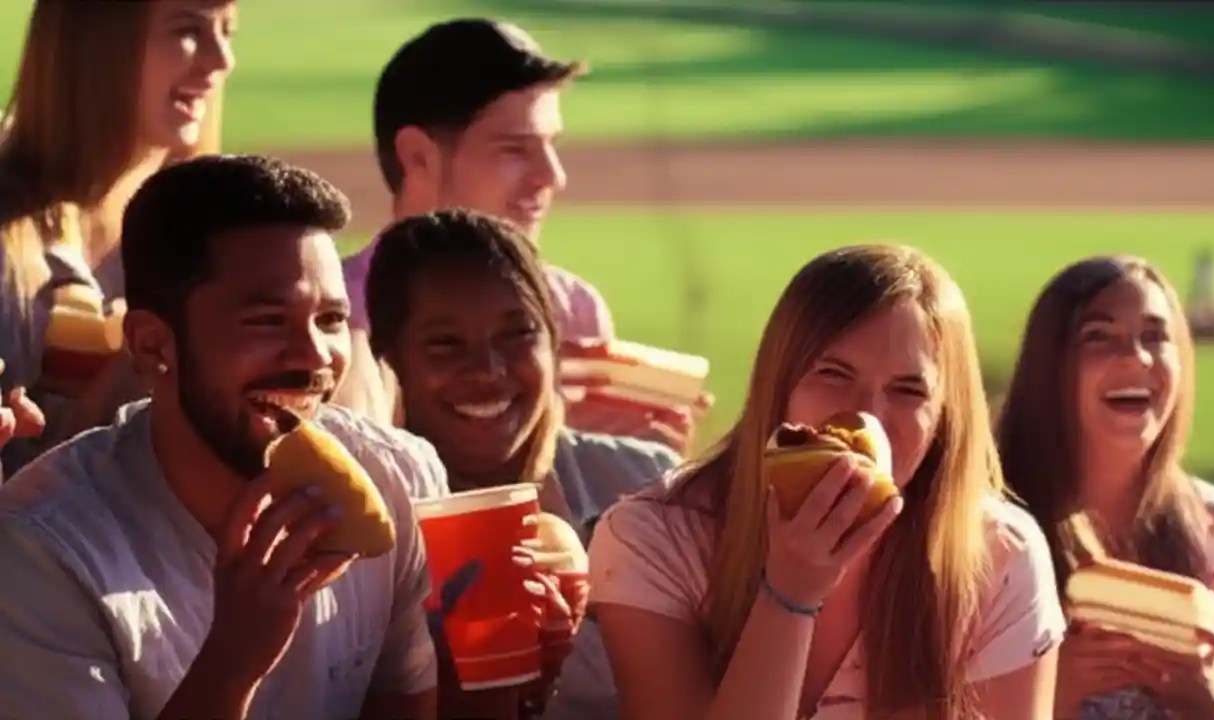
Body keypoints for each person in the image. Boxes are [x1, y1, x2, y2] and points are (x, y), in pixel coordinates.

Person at [0, 155, 444, 719]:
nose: (315, 358)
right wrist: (233, 661)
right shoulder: (43, 551)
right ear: (153, 346)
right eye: (267, 321)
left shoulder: (399, 481)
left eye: (331, 320)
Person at [589, 245, 1065, 719]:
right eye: (833, 374)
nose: (867, 416)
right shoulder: (651, 538)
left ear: (945, 417)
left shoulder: (1000, 554)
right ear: (779, 385)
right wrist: (790, 595)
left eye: (908, 390)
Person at [365, 209, 681, 719]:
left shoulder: (645, 486)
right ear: (391, 358)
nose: (488, 371)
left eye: (517, 335)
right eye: (446, 344)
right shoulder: (367, 536)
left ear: (553, 340)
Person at [336, 18, 701, 452]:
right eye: (514, 150)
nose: (552, 176)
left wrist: (626, 461)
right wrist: (548, 435)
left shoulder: (573, 309)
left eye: (552, 146)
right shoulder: (331, 319)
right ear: (419, 158)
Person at [997, 255, 1214, 719]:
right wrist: (1053, 688)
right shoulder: (993, 529)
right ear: (1049, 366)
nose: (1136, 357)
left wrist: (1207, 700)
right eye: (1098, 336)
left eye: (1155, 335)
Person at [0, 0, 235, 476]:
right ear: (94, 45)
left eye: (228, 31)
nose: (221, 60)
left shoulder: (212, 234)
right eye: (187, 29)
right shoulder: (11, 245)